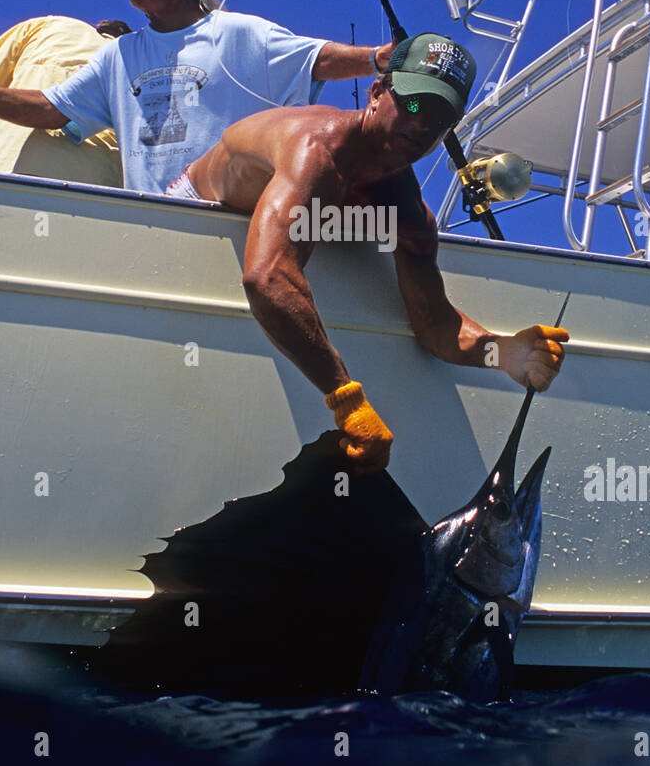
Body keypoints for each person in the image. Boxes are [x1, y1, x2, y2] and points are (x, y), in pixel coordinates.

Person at [174, 33, 569, 472]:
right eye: (414, 104)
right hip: (188, 212)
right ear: (377, 93)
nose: (422, 125)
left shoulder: (409, 214)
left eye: (440, 118)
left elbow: (435, 325)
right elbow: (267, 278)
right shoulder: (317, 151)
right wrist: (346, 400)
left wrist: (503, 352)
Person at [0, 0, 399, 195]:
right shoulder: (119, 56)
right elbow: (49, 108)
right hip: (152, 221)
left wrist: (381, 58)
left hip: (231, 217)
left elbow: (318, 59)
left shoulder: (235, 32)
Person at [0, 17, 129, 185]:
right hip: (102, 188)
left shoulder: (46, 25)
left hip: (6, 174)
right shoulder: (139, 64)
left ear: (98, 27)